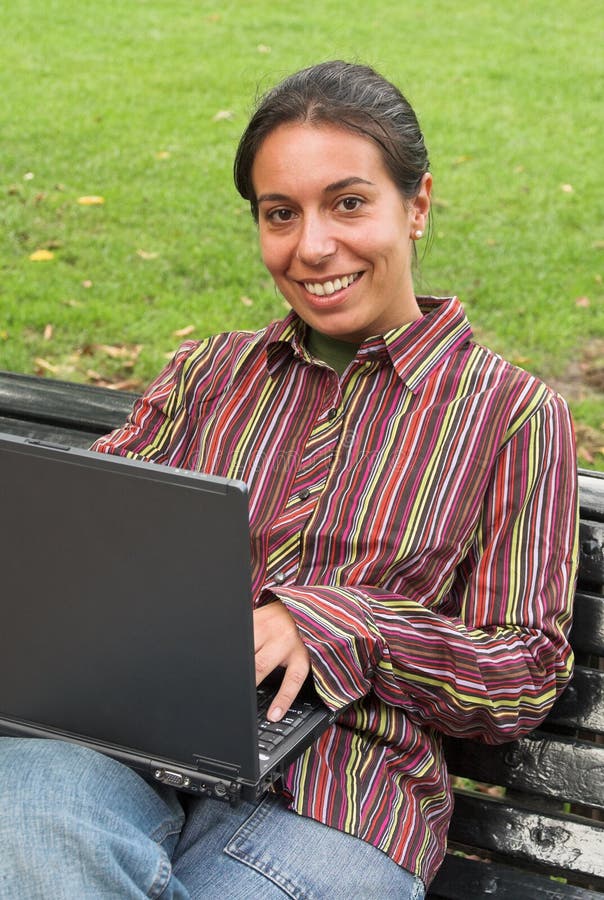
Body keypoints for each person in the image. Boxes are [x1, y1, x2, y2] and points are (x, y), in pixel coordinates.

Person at [0, 60, 578, 899]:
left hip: (343, 796)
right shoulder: (210, 373)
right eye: (281, 214)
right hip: (124, 746)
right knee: (31, 847)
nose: (312, 247)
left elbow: (522, 671)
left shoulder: (512, 416)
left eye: (349, 202)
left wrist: (345, 625)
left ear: (416, 206)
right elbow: (78, 544)